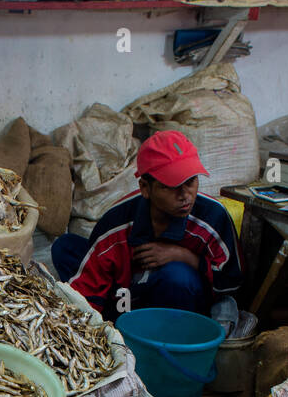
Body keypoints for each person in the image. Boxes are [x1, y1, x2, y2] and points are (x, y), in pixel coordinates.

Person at [53, 130, 243, 321]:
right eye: (171, 185)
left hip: (184, 305)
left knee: (177, 276)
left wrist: (186, 257)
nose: (185, 195)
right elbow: (90, 288)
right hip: (126, 298)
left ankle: (167, 335)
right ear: (145, 188)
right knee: (65, 247)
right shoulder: (116, 223)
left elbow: (231, 283)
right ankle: (127, 323)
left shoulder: (213, 216)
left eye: (191, 181)